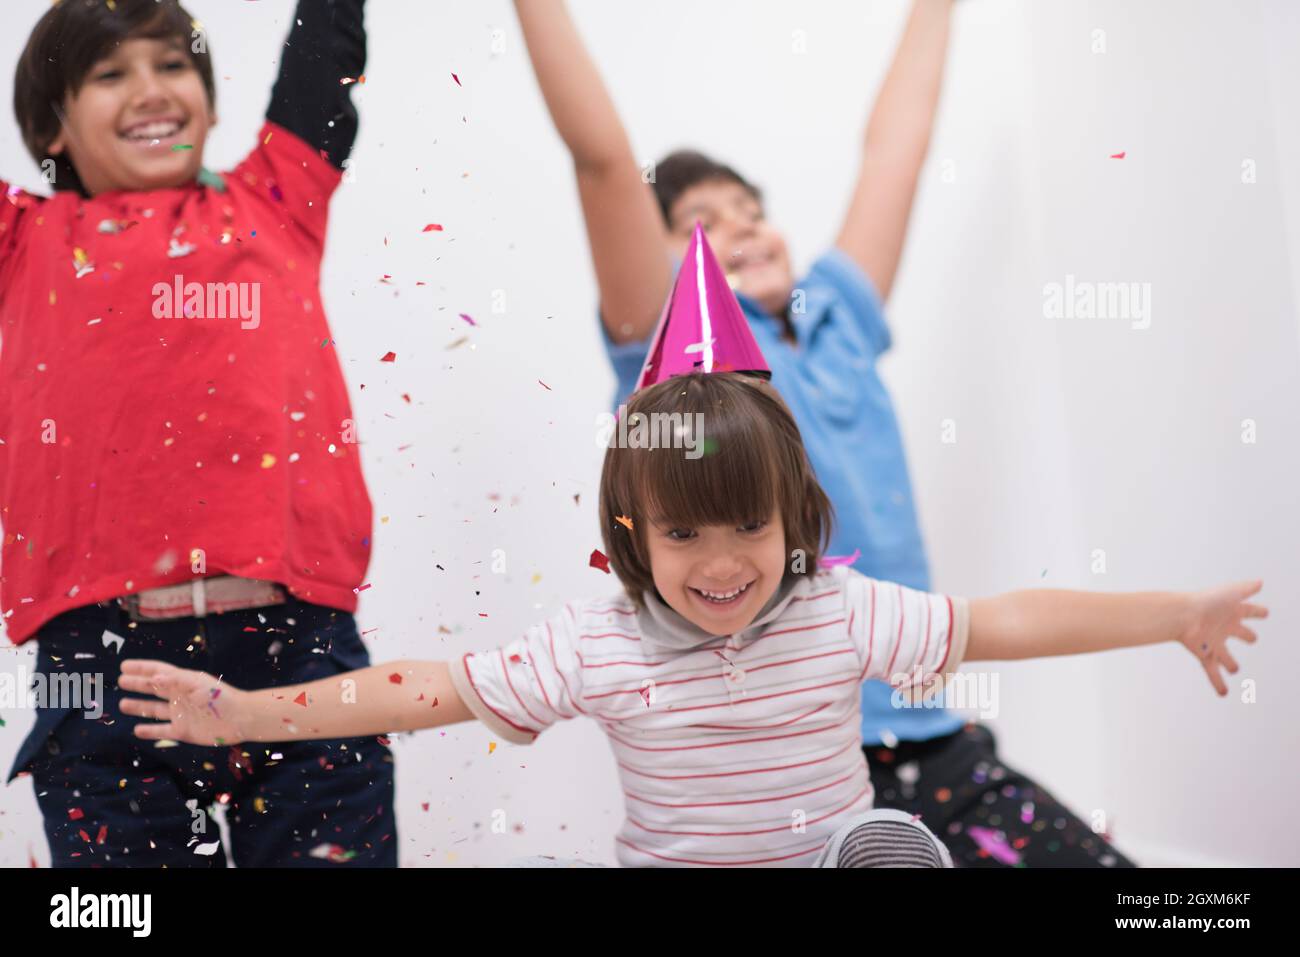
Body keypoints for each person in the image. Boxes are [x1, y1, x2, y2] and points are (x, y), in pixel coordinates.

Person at [115, 228, 1266, 869]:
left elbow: (1004, 619)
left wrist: (1173, 614)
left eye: (750, 528)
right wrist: (251, 713)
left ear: (795, 521)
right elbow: (431, 692)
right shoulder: (601, 643)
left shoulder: (836, 612)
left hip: (833, 856)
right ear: (632, 536)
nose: (724, 564)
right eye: (682, 534)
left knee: (878, 852)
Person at [512, 0, 1137, 865]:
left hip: (930, 738)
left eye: (748, 206)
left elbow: (897, 150)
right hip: (797, 773)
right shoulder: (675, 355)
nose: (738, 223)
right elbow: (604, 165)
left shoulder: (837, 314)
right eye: (703, 219)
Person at [1, 0, 393, 867]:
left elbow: (324, 51)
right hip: (97, 667)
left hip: (300, 650)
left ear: (212, 105)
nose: (151, 90)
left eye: (174, 66)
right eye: (109, 75)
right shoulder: (20, 241)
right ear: (49, 128)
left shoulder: (279, 199)